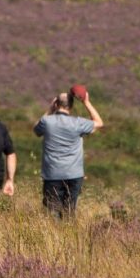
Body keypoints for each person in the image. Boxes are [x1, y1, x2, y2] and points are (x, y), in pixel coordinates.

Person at [33, 85, 102, 219]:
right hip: (74, 174)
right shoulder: (78, 123)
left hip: (52, 174)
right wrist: (86, 102)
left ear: (56, 104)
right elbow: (99, 123)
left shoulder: (47, 122)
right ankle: (69, 231)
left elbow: (36, 129)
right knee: (69, 212)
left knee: (53, 213)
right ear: (71, 106)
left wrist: (49, 109)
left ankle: (53, 232)